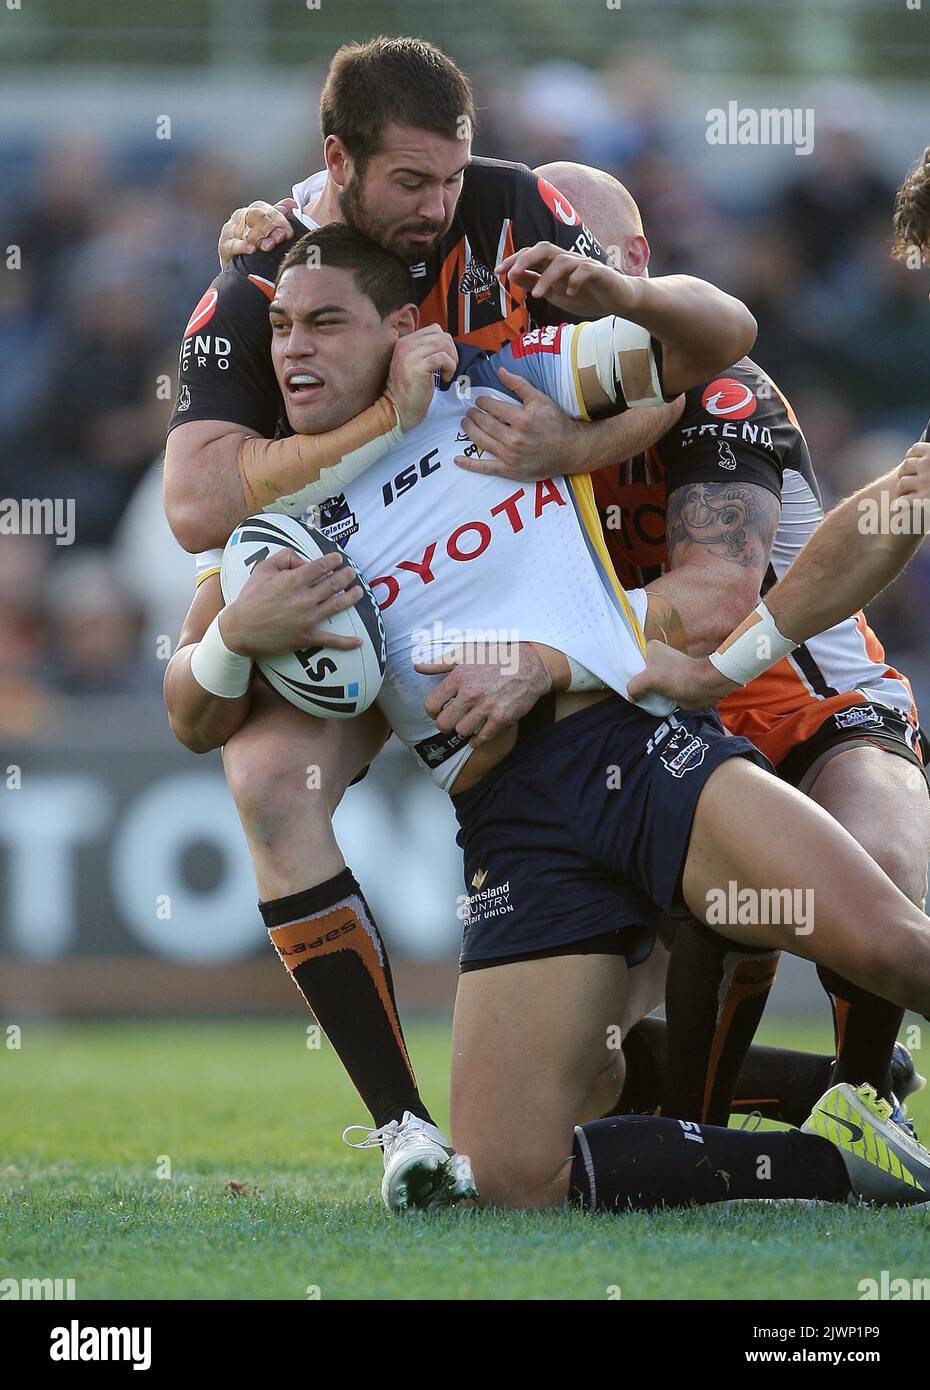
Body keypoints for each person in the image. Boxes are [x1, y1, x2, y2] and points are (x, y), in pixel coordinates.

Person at [166, 223, 930, 1212]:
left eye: (324, 322)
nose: (293, 349)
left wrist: (619, 303)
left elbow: (721, 333)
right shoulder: (276, 510)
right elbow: (190, 710)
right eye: (279, 327)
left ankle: (851, 1089)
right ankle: (843, 1164)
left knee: (895, 951)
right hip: (508, 824)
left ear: (405, 326)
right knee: (515, 1172)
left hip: (632, 746)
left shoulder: (496, 386)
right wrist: (234, 632)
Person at [162, 36, 754, 1208]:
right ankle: (402, 1132)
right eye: (409, 185)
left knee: (600, 1035)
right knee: (266, 777)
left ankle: (811, 1084)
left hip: (522, 588)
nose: (439, 208)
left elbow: (670, 378)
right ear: (338, 161)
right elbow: (193, 502)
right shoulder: (262, 273)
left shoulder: (519, 208)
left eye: (451, 178)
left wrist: (566, 444)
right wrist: (382, 419)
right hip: (362, 590)